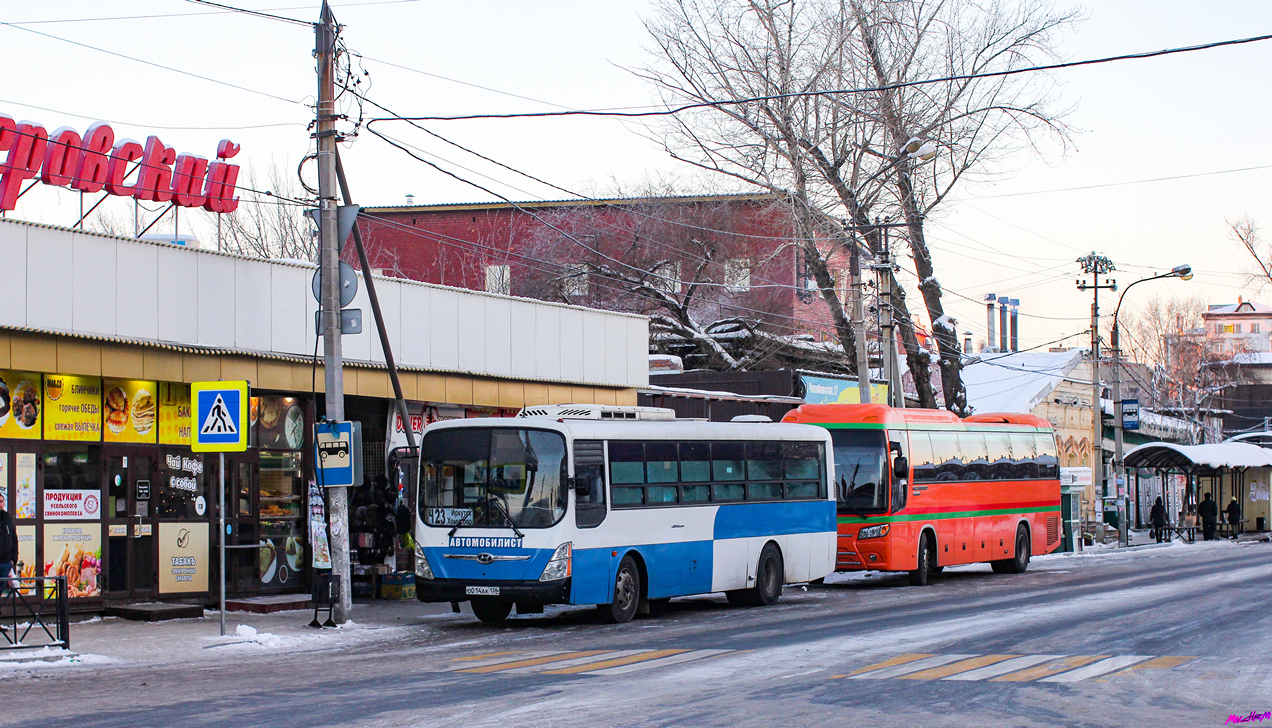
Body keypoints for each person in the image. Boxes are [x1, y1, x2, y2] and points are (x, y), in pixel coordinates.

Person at [0, 501, 17, 597]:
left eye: (1, 502)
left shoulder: (7, 518)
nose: (0, 504)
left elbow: (14, 538)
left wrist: (13, 559)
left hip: (6, 563)